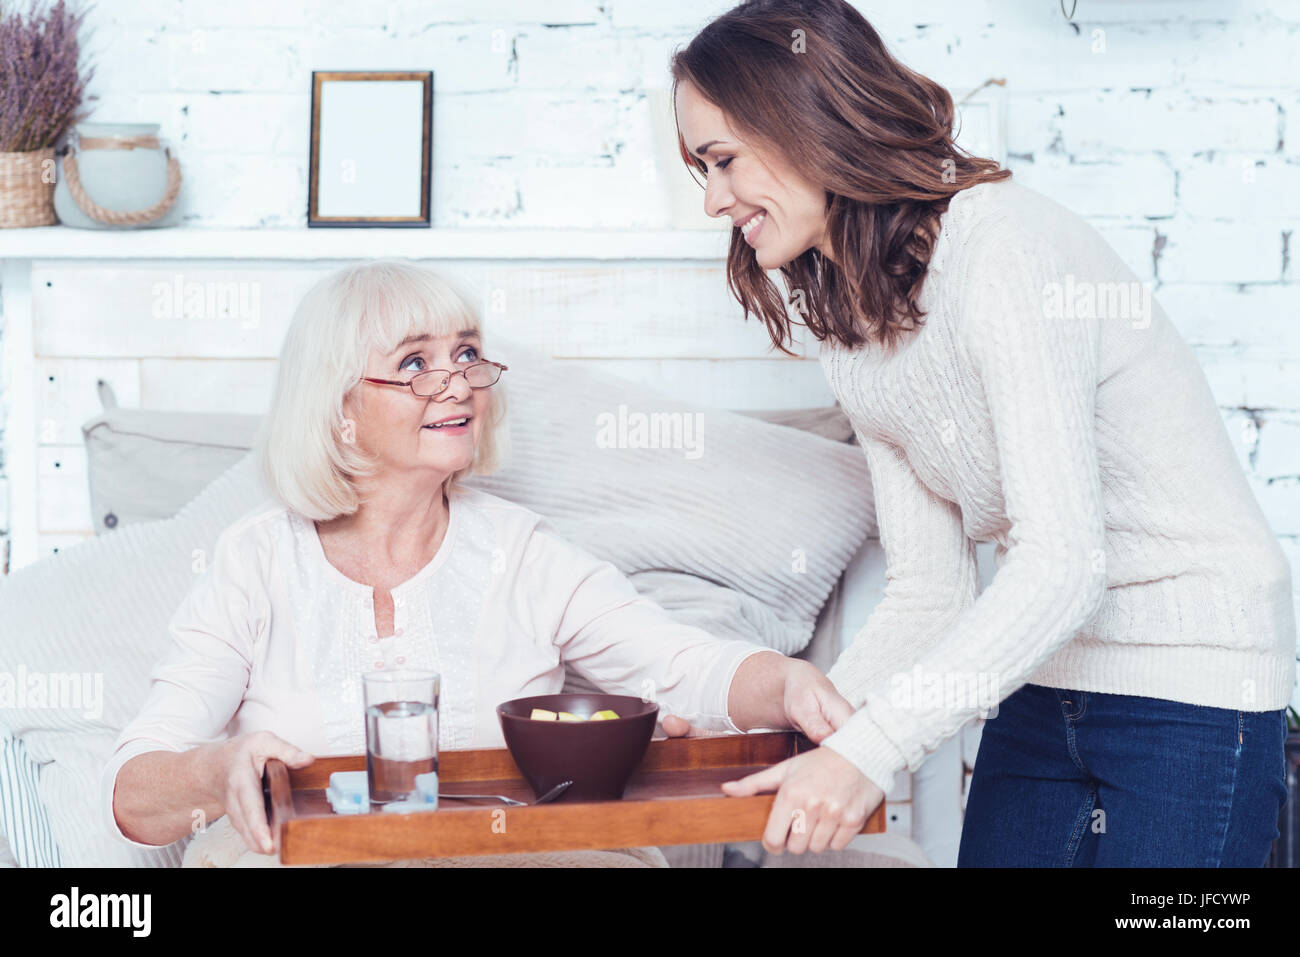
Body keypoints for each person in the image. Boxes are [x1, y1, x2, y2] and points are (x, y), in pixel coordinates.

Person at [673, 0, 1295, 865]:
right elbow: (930, 592)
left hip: (1193, 690)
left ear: (805, 121)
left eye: (722, 160)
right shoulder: (850, 323)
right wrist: (793, 733)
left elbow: (1063, 564)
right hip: (1044, 686)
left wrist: (869, 751)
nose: (711, 199)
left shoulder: (1002, 248)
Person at [101, 259, 853, 867]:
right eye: (416, 362)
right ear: (339, 407)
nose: (457, 381)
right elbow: (134, 793)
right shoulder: (257, 561)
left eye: (465, 352)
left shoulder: (520, 552)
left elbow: (686, 666)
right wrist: (218, 769)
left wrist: (784, 682)